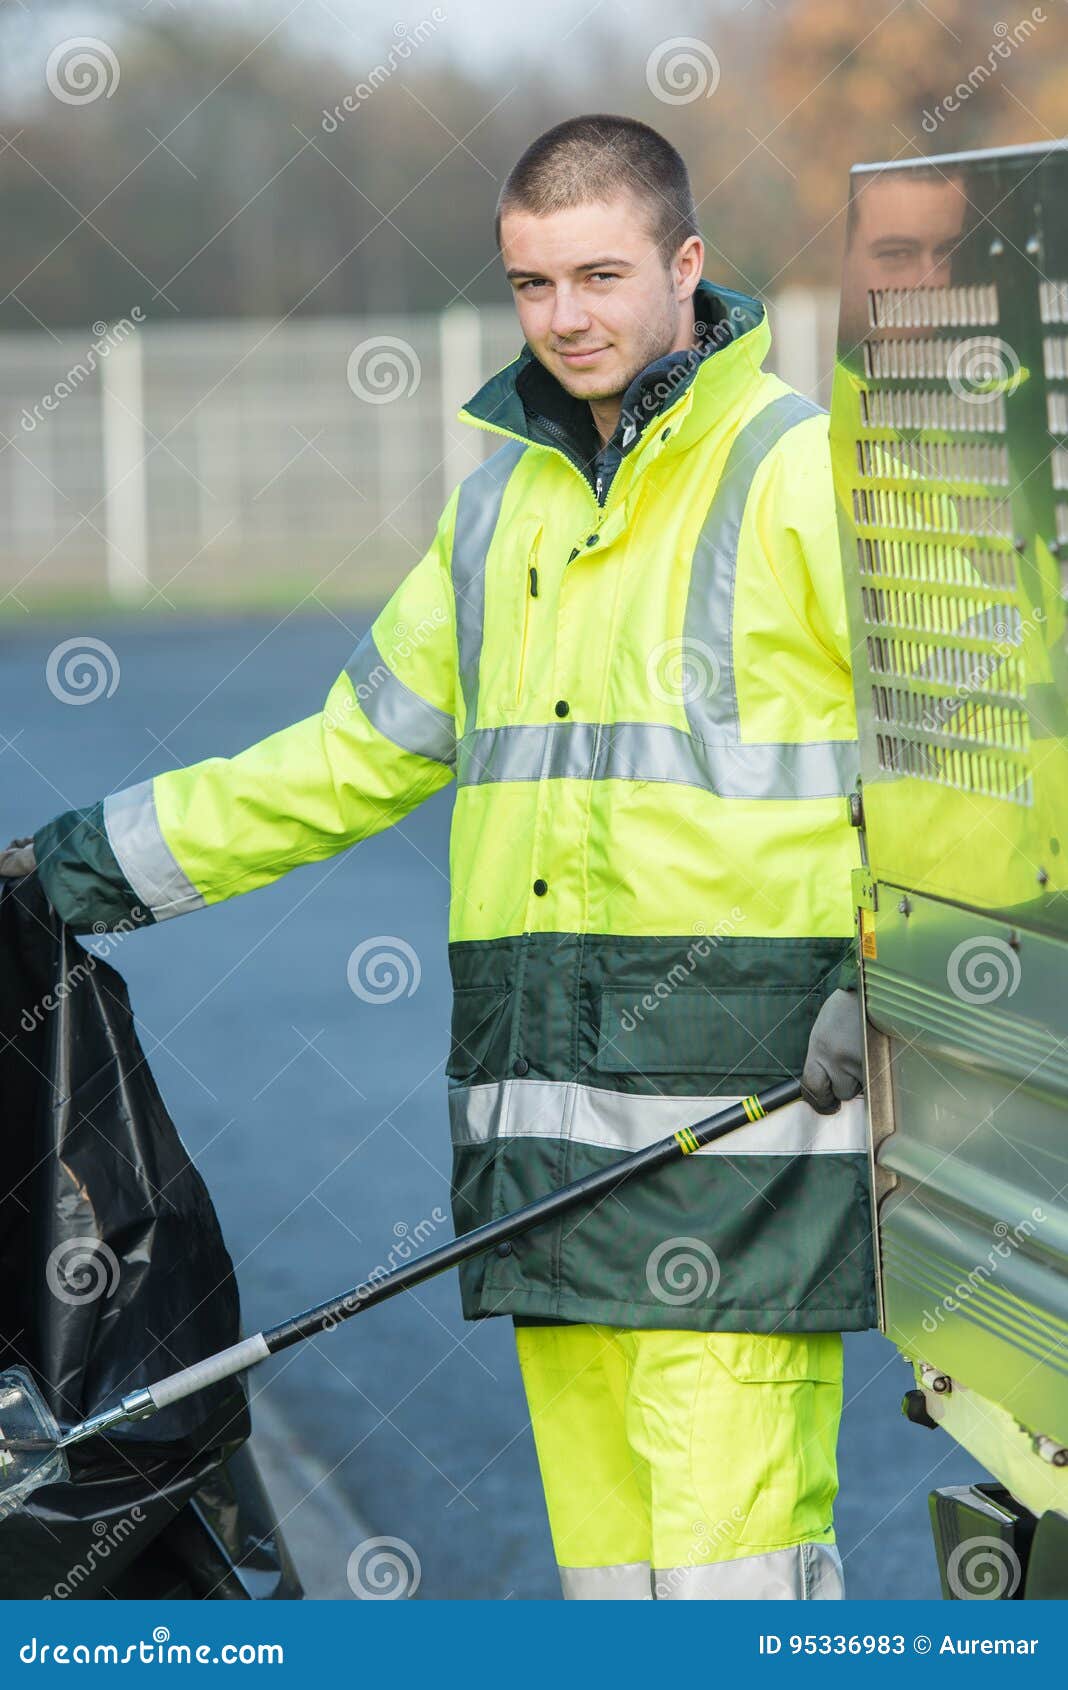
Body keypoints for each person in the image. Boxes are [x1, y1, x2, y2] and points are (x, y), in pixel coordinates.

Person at [2, 114, 868, 1601]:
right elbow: (350, 754)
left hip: (741, 1128)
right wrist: (68, 868)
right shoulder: (498, 515)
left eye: (601, 276)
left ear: (688, 268)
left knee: (735, 1580)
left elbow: (960, 767)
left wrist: (890, 974)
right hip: (551, 1156)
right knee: (614, 1585)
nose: (568, 318)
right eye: (534, 285)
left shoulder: (800, 473)